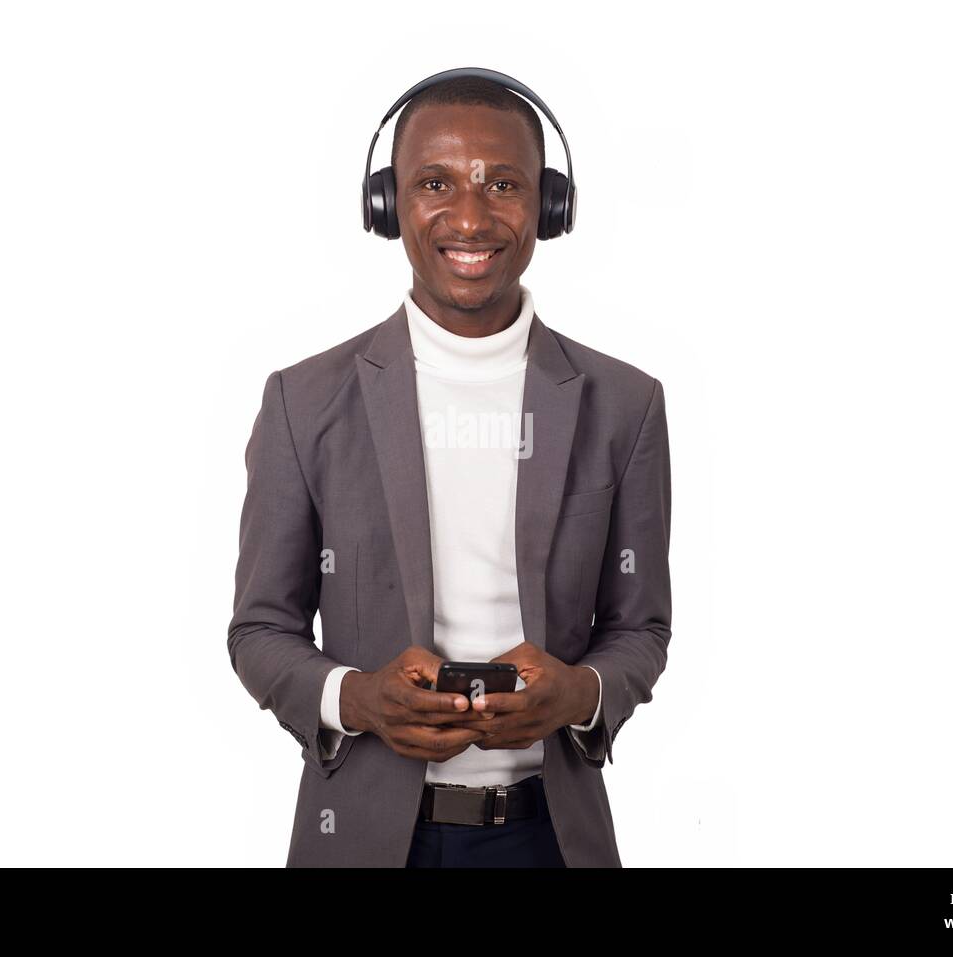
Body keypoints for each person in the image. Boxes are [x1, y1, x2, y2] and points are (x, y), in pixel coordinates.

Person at [227, 68, 672, 867]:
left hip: (552, 838)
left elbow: (640, 627)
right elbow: (261, 629)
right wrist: (355, 698)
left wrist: (582, 693)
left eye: (503, 183)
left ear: (550, 205)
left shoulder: (625, 403)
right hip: (365, 839)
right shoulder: (305, 401)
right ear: (387, 204)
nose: (470, 215)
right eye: (434, 182)